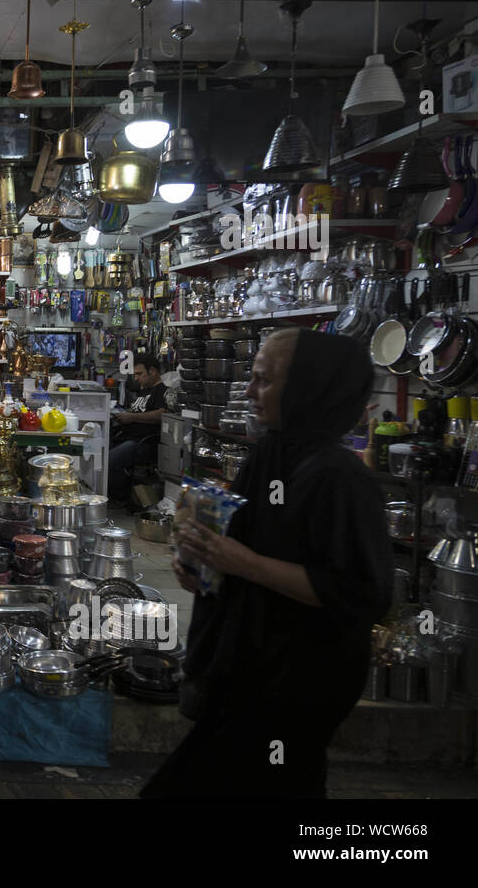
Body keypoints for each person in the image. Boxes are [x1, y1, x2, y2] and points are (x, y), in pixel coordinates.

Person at [142, 329, 392, 798]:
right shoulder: (272, 454)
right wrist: (204, 568)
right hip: (251, 669)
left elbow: (361, 593)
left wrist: (244, 564)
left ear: (307, 388)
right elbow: (251, 545)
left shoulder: (341, 480)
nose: (248, 392)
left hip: (297, 680)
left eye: (263, 381)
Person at [107, 353, 167, 506]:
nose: (136, 378)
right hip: (128, 437)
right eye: (135, 375)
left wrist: (131, 418)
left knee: (109, 461)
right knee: (100, 454)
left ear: (152, 371)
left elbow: (161, 414)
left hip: (143, 443)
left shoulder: (161, 390)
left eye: (139, 374)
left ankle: (121, 499)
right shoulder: (143, 391)